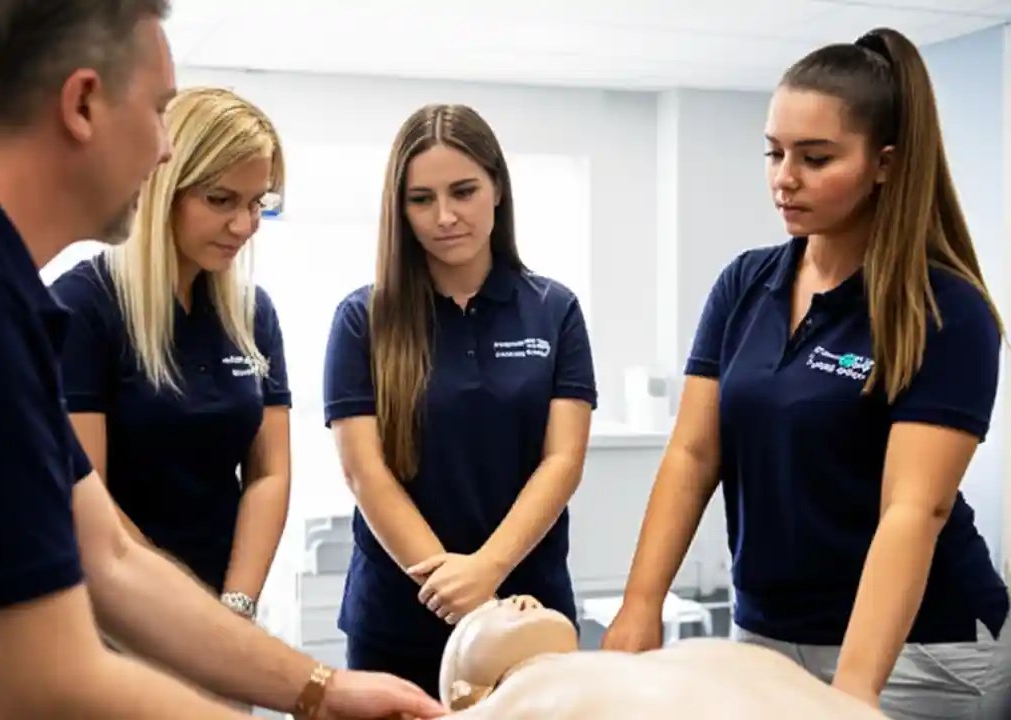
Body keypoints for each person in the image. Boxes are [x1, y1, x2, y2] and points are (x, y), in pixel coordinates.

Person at [0, 2, 446, 719]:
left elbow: (111, 558)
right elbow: (44, 688)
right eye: (160, 110)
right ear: (81, 104)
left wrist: (318, 691)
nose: (166, 149)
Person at [602, 26, 1011, 720]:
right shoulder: (745, 284)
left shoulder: (945, 310)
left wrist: (854, 692)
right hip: (764, 635)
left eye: (816, 158)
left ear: (885, 164)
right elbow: (695, 453)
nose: (784, 178)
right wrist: (639, 611)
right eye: (775, 153)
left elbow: (915, 510)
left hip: (918, 649)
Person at [322, 103, 597, 698]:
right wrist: (458, 595)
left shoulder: (554, 310)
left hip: (530, 620)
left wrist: (489, 574)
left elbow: (563, 461)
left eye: (464, 191)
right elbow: (365, 471)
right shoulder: (362, 319)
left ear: (496, 187)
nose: (445, 216)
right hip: (399, 618)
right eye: (421, 199)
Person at [52, 86, 290, 623]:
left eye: (257, 203)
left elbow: (268, 474)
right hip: (116, 613)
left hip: (223, 611)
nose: (244, 226)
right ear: (163, 185)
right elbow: (89, 497)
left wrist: (235, 605)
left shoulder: (252, 315)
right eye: (221, 200)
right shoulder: (83, 307)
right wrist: (184, 614)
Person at [437, 595, 890, 719]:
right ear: (466, 692)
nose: (515, 598)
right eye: (489, 611)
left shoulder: (646, 666)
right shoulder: (513, 699)